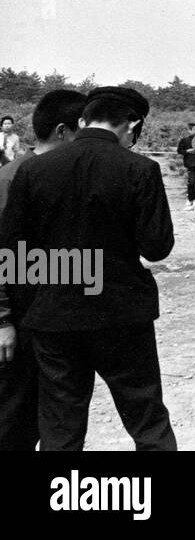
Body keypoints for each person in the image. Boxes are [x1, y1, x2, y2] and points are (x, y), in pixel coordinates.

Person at [0, 86, 177, 450]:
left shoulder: (32, 170)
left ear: (82, 120)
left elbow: (12, 250)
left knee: (61, 427)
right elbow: (157, 248)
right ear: (133, 126)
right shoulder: (141, 168)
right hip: (123, 315)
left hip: (54, 317)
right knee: (147, 421)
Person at [0, 89, 87, 451]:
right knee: (13, 417)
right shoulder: (12, 177)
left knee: (58, 418)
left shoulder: (71, 175)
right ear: (64, 131)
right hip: (19, 316)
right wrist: (3, 320)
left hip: (57, 315)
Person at [177, 121, 195, 211]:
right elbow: (179, 151)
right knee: (191, 182)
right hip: (191, 164)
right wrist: (187, 151)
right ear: (189, 131)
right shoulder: (184, 140)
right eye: (192, 130)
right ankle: (189, 198)